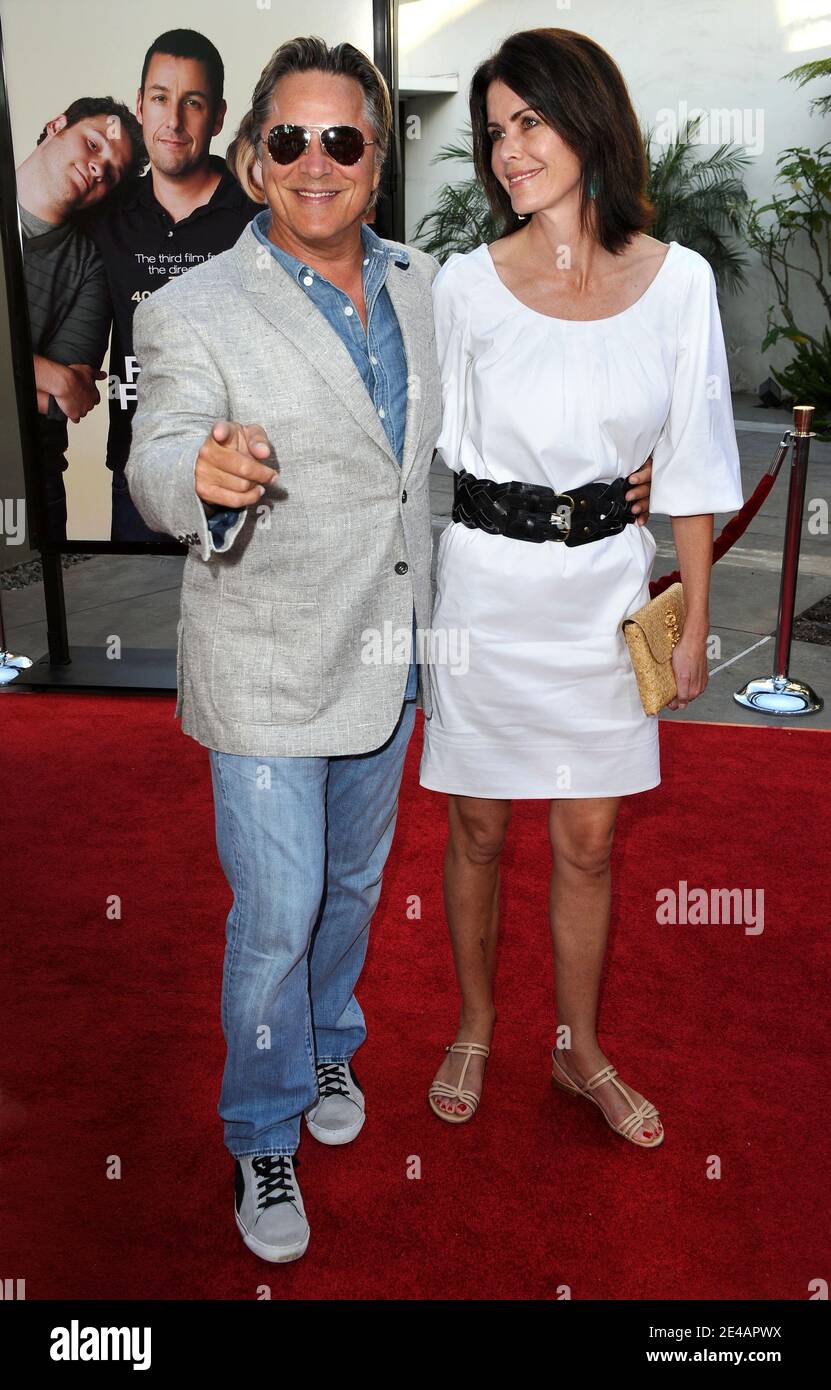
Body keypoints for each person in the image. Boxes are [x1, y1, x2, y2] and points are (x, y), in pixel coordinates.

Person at [126, 35, 654, 1265]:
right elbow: (160, 445)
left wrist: (606, 484)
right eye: (290, 139)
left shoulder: (432, 285)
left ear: (376, 161)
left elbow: (502, 409)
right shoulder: (190, 306)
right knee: (280, 908)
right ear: (254, 160)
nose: (317, 162)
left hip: (391, 655)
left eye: (343, 140)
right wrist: (198, 474)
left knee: (355, 889)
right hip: (263, 661)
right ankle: (262, 1128)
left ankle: (329, 1043)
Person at [420, 28, 744, 1147]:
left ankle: (578, 1048)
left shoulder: (678, 282)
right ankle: (475, 1023)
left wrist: (694, 621)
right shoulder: (465, 285)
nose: (508, 150)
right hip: (485, 589)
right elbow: (422, 444)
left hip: (606, 592)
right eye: (494, 131)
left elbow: (694, 461)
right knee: (476, 829)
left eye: (531, 122)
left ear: (589, 121)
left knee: (590, 841)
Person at [81, 29, 259, 542]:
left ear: (218, 116)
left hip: (239, 474)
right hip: (139, 473)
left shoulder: (257, 217)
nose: (174, 121)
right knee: (139, 597)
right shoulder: (105, 216)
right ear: (140, 105)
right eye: (161, 98)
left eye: (193, 103)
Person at [15, 97, 144, 540]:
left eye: (110, 173)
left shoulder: (91, 265)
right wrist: (44, 373)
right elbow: (52, 388)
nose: (97, 168)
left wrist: (56, 383)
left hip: (31, 482)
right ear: (56, 125)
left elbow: (66, 401)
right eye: (93, 144)